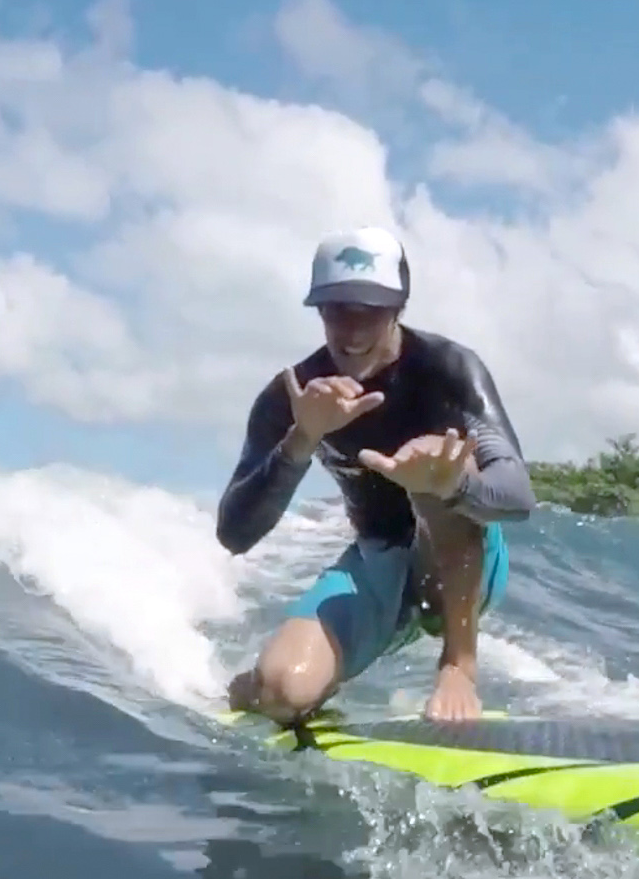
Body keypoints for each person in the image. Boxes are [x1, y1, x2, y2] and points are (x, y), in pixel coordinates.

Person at [216, 227, 536, 724]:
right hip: (377, 561)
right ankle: (276, 680)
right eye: (337, 309)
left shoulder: (447, 371)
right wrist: (301, 439)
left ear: (399, 308)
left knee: (434, 460)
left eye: (371, 310)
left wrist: (453, 484)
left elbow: (518, 495)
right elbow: (234, 534)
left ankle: (458, 666)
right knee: (281, 693)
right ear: (318, 310)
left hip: (460, 562)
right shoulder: (294, 396)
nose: (352, 330)